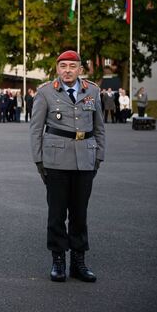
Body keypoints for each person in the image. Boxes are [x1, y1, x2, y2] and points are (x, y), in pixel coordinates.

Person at [30, 50, 105, 283]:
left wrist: (99, 156)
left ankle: (78, 262)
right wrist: (39, 160)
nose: (68, 70)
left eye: (72, 66)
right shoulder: (45, 92)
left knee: (79, 214)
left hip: (86, 158)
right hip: (56, 160)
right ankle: (58, 260)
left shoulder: (92, 91)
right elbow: (36, 129)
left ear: (80, 69)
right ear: (57, 68)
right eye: (63, 66)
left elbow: (99, 126)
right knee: (57, 214)